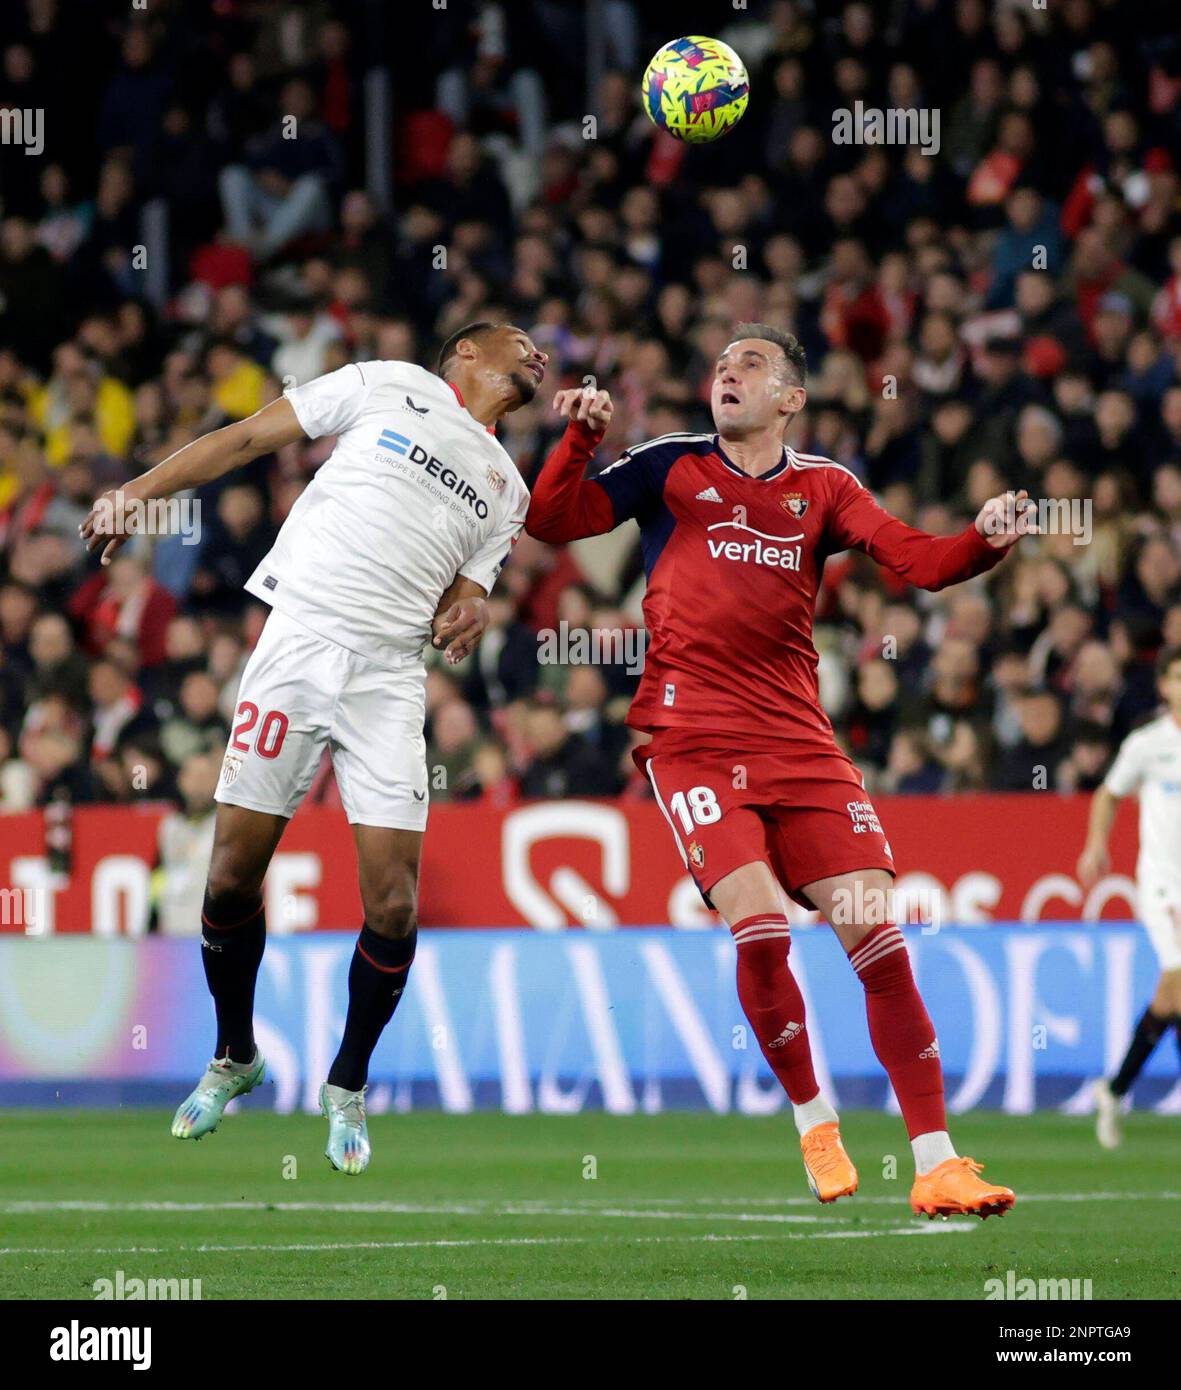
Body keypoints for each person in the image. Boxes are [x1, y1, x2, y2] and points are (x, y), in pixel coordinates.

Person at [525, 323, 1035, 1218]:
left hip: (801, 745)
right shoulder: (669, 466)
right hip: (690, 741)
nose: (727, 373)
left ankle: (937, 1160)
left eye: (749, 365)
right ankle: (813, 1118)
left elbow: (918, 561)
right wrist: (580, 439)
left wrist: (983, 540)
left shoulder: (824, 488)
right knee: (759, 927)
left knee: (878, 939)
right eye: (720, 364)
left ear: (790, 398)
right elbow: (551, 520)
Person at [80, 321, 546, 1173]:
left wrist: (470, 610)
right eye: (520, 340)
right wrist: (140, 491)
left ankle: (346, 1084)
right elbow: (252, 435)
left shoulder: (507, 488)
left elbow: (471, 590)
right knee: (226, 876)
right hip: (298, 645)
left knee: (394, 904)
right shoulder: (386, 382)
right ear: (467, 355)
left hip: (390, 678)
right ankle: (234, 1056)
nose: (539, 354)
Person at [1078, 646, 1181, 1148]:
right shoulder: (1147, 743)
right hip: (1163, 881)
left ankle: (1114, 1090)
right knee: (1177, 977)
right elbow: (1109, 792)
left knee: (1175, 996)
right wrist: (1096, 844)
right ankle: (1115, 1089)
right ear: (1163, 686)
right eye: (1178, 678)